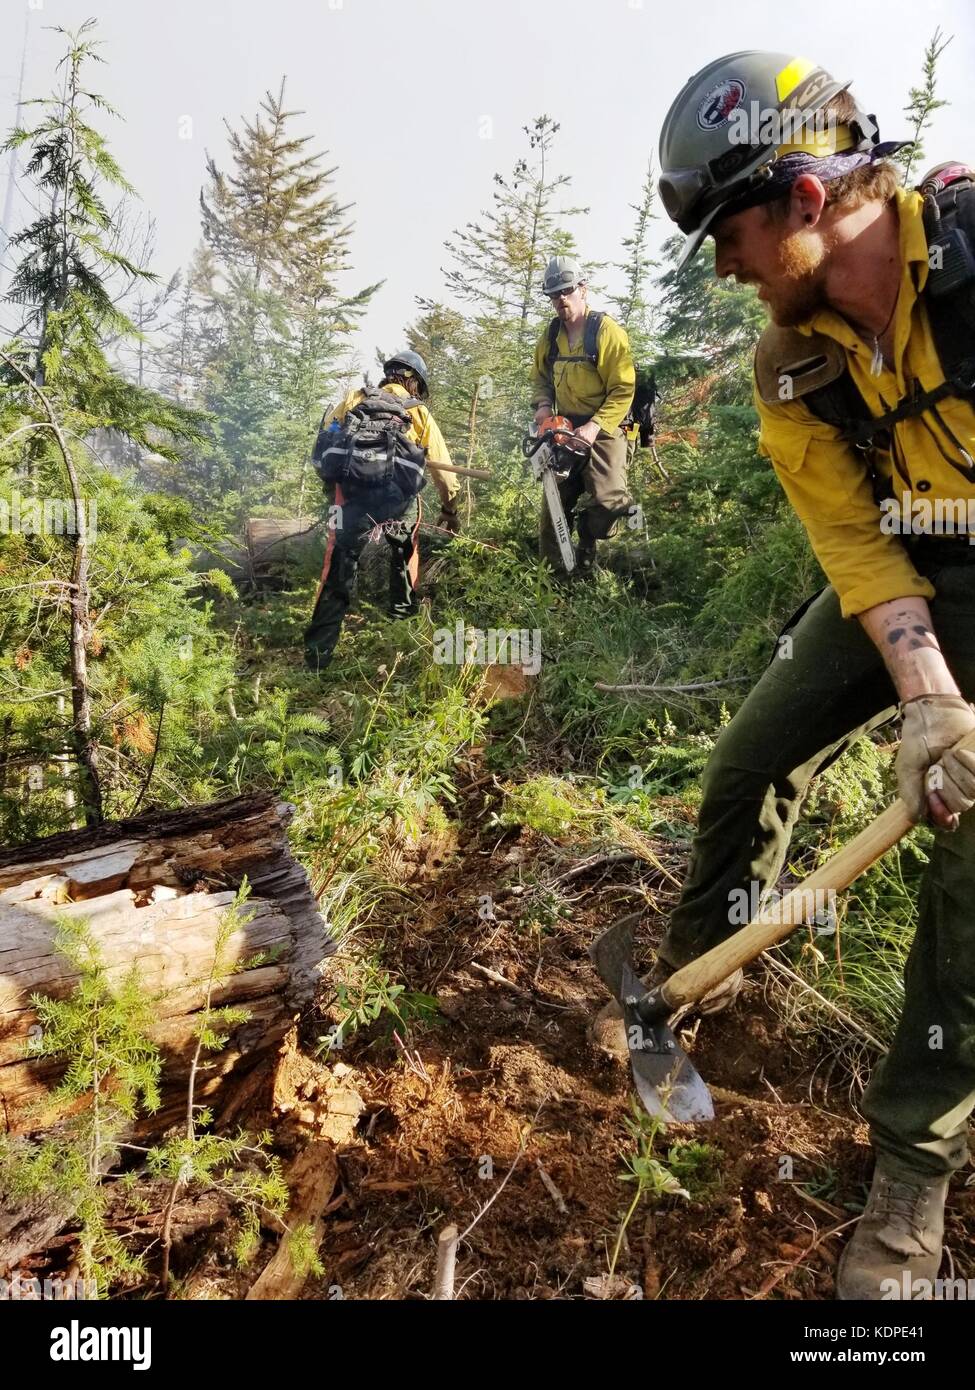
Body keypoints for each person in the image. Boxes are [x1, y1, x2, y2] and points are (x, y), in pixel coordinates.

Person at [604, 50, 975, 1300]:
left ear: (807, 200)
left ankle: (911, 1179)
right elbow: (857, 541)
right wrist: (925, 691)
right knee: (754, 755)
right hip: (909, 567)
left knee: (970, 887)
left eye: (733, 232)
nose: (724, 267)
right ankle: (687, 990)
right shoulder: (792, 363)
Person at [304, 350, 460, 672]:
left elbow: (325, 448)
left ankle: (317, 658)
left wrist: (333, 492)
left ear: (388, 375)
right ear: (414, 382)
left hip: (352, 500)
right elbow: (444, 473)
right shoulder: (418, 413)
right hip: (399, 504)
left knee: (338, 570)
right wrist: (450, 509)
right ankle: (400, 640)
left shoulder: (354, 398)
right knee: (404, 560)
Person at [530, 257, 636, 574]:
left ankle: (588, 538)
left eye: (567, 290)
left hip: (608, 425)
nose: (561, 299)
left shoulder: (606, 332)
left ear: (582, 289)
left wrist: (594, 426)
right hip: (564, 427)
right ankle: (555, 582)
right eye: (554, 294)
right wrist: (544, 406)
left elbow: (623, 389)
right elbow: (540, 379)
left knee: (610, 506)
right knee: (553, 506)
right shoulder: (550, 337)